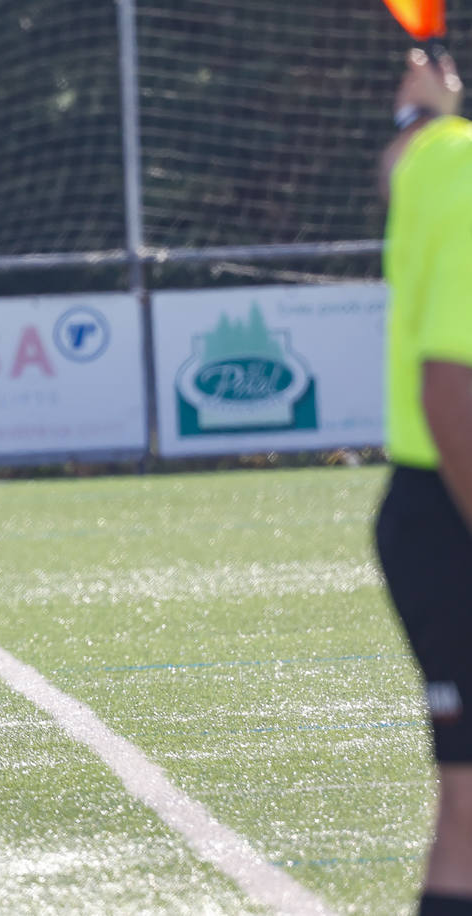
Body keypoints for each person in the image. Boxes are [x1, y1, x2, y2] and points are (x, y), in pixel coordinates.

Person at [375, 48, 472, 916]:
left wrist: (423, 112)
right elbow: (452, 389)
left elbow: (401, 170)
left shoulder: (442, 157)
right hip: (453, 513)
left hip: (430, 513)